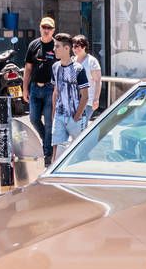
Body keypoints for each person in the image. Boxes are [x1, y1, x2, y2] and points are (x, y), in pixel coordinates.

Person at [23, 17, 57, 165]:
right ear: (40, 28)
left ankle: (47, 153)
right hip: (35, 88)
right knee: (34, 119)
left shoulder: (57, 46)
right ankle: (46, 141)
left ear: (53, 30)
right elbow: (28, 68)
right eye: (44, 27)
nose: (46, 30)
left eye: (49, 27)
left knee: (49, 122)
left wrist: (58, 89)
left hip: (51, 88)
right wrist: (25, 88)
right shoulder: (33, 45)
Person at [50, 32, 89, 162]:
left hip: (75, 117)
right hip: (60, 115)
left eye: (57, 46)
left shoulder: (78, 69)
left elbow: (85, 96)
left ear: (67, 48)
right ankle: (52, 176)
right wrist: (54, 113)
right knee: (56, 147)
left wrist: (77, 116)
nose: (54, 49)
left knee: (80, 150)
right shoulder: (55, 67)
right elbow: (55, 92)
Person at [72, 35, 101, 119]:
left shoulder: (92, 61)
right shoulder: (72, 60)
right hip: (74, 101)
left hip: (88, 100)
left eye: (77, 46)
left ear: (84, 46)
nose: (74, 49)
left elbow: (98, 81)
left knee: (81, 125)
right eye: (73, 46)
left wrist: (96, 99)